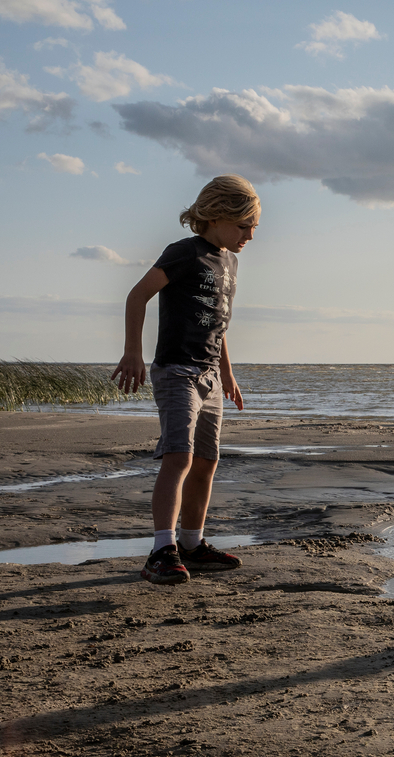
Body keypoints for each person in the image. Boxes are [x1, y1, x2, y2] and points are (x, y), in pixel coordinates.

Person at [111, 175, 258, 584]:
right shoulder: (184, 253)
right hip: (177, 370)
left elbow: (217, 322)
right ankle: (161, 550)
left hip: (210, 374)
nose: (249, 234)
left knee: (207, 462)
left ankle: (192, 544)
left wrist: (227, 372)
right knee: (179, 457)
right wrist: (132, 352)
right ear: (215, 216)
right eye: (243, 225)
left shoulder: (228, 260)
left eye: (253, 227)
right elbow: (137, 295)